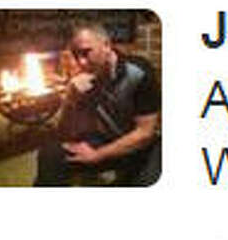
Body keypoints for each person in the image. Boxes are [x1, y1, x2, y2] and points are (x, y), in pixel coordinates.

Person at [34, 21, 161, 186]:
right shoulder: (85, 76)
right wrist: (70, 98)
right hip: (106, 139)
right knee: (50, 154)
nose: (81, 62)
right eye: (75, 55)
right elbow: (64, 133)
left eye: (86, 52)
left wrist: (98, 155)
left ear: (107, 45)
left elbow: (145, 133)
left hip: (141, 147)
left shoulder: (138, 72)